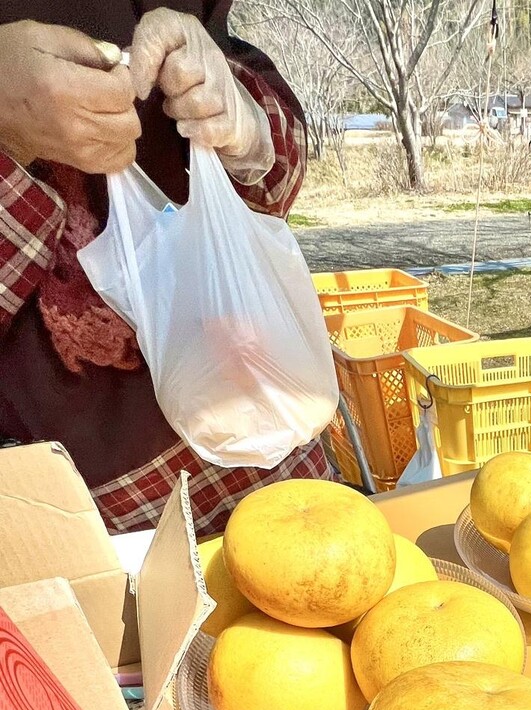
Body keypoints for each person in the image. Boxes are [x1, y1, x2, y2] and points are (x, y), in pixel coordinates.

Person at [0, 4, 330, 538]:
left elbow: (277, 179)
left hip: (281, 445)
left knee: (324, 588)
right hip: (98, 511)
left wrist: (245, 124)